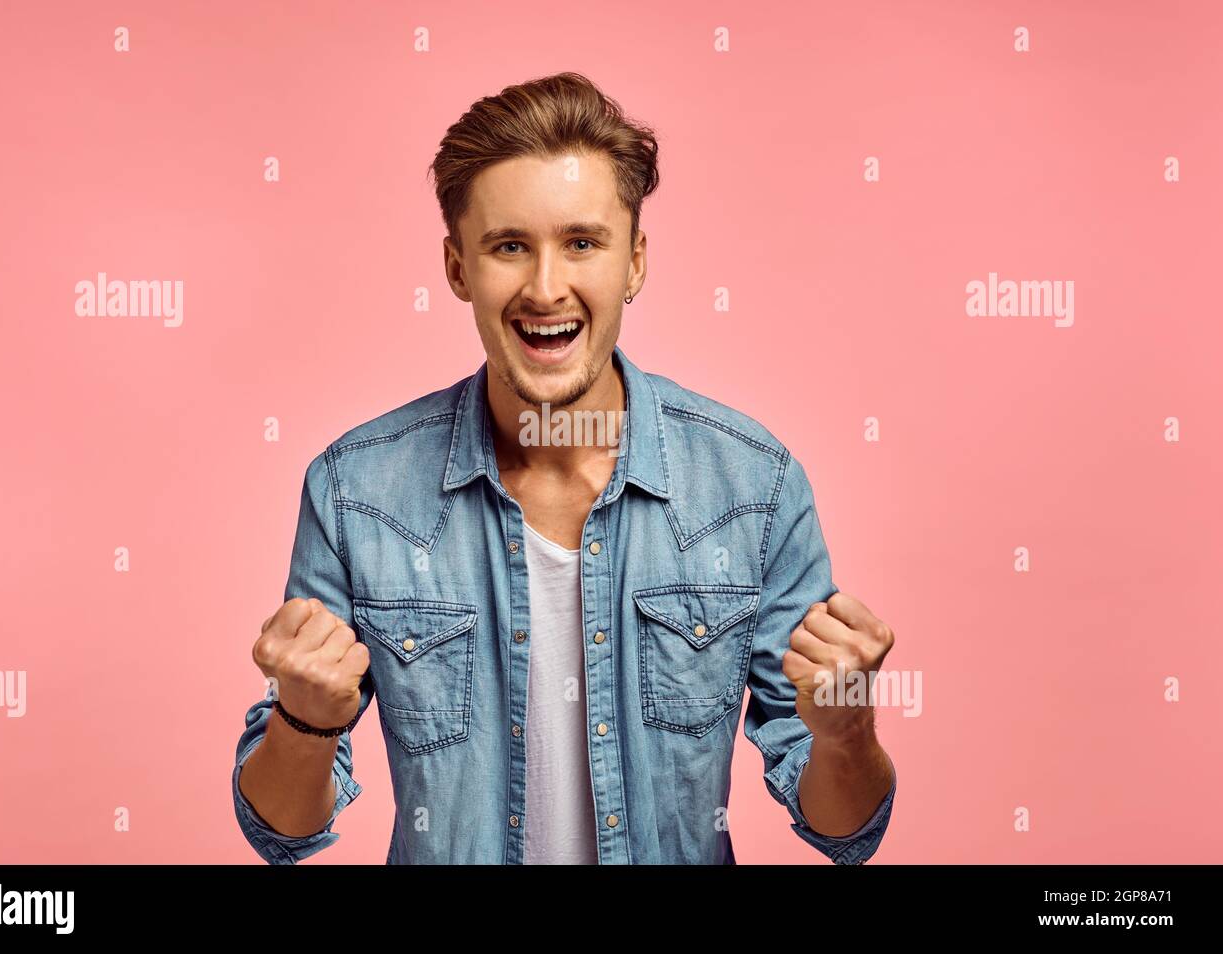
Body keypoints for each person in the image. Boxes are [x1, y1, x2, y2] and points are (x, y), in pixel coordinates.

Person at [232, 71, 897, 865]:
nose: (547, 289)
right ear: (456, 268)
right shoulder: (355, 492)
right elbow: (281, 830)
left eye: (582, 243)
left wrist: (847, 726)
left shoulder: (753, 487)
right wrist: (305, 721)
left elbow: (846, 830)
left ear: (635, 262)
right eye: (509, 246)